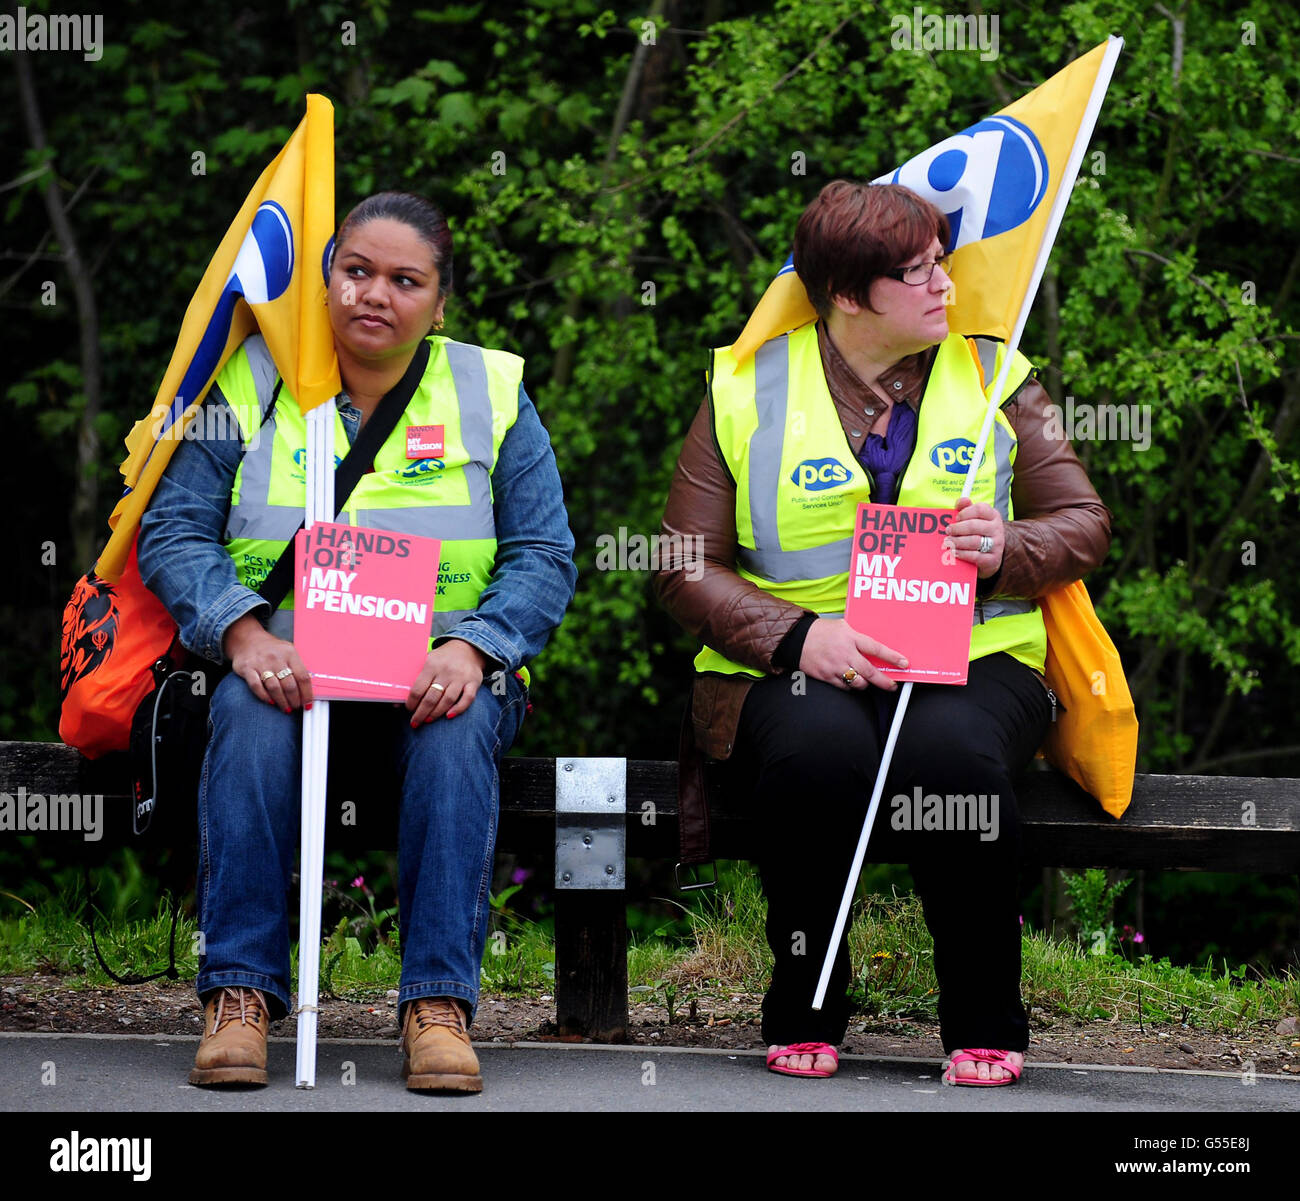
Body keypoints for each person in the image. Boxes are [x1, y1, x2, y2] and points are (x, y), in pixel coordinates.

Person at [654, 180, 1111, 1085]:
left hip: (978, 659)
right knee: (817, 751)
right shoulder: (743, 386)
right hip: (801, 663)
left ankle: (985, 1018)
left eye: (941, 261)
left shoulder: (1000, 373)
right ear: (851, 295)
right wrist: (798, 638)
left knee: (953, 760)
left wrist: (1009, 546)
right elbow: (678, 563)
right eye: (919, 271)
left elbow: (1086, 522)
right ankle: (804, 1003)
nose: (946, 282)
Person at [137, 191, 577, 1093]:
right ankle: (240, 994)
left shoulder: (491, 391)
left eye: (405, 280)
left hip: (438, 674)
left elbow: (544, 553)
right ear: (327, 278)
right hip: (286, 671)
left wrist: (480, 647)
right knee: (245, 714)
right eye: (357, 270)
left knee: (458, 731)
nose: (376, 294)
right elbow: (173, 531)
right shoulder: (252, 378)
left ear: (439, 301)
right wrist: (242, 632)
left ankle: (438, 1006)